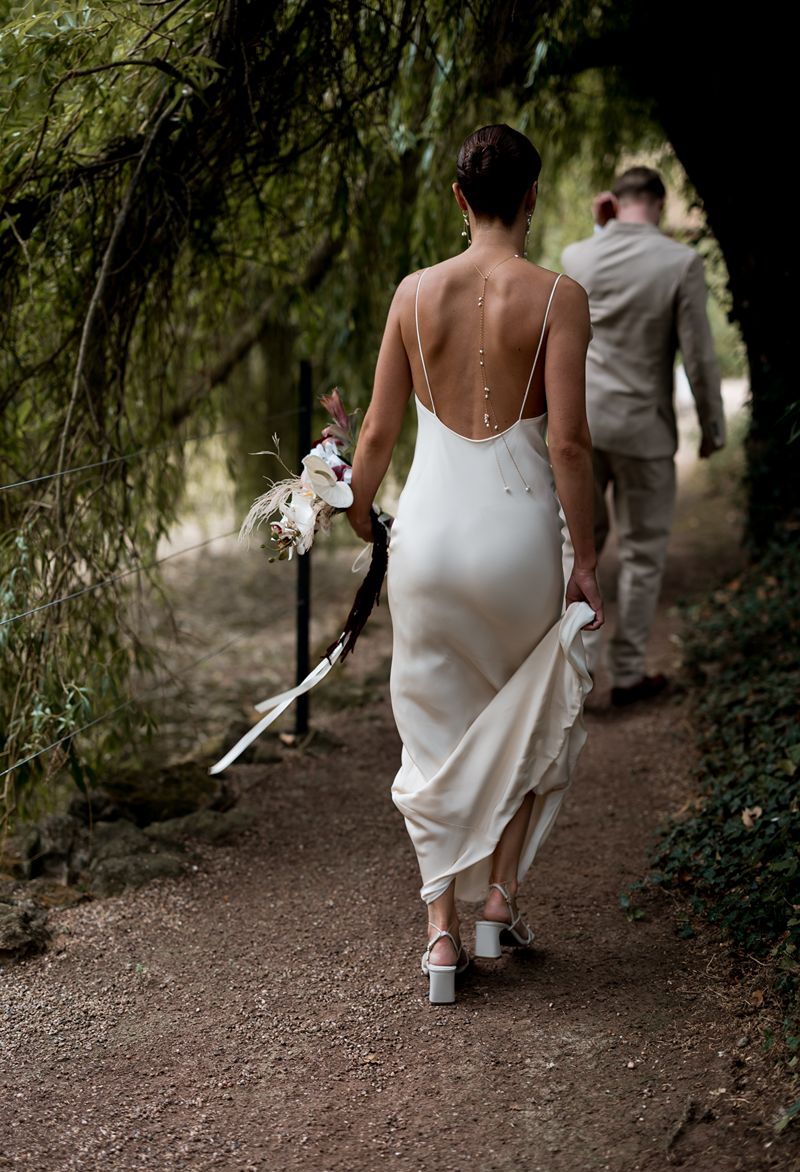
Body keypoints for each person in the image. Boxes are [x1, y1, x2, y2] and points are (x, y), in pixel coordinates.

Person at [347, 124, 602, 1004]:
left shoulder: (413, 295)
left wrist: (351, 510)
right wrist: (589, 558)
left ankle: (442, 943)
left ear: (459, 199)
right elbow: (568, 443)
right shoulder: (559, 296)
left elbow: (377, 434)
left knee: (433, 732)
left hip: (426, 542)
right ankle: (498, 897)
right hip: (516, 543)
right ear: (533, 196)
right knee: (532, 713)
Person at [562, 168, 726, 705]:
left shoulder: (578, 257)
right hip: (644, 431)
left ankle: (571, 676)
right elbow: (699, 357)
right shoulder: (680, 263)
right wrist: (711, 428)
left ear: (618, 202)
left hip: (582, 429)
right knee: (641, 554)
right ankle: (628, 676)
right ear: (657, 203)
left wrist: (600, 229)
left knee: (577, 546)